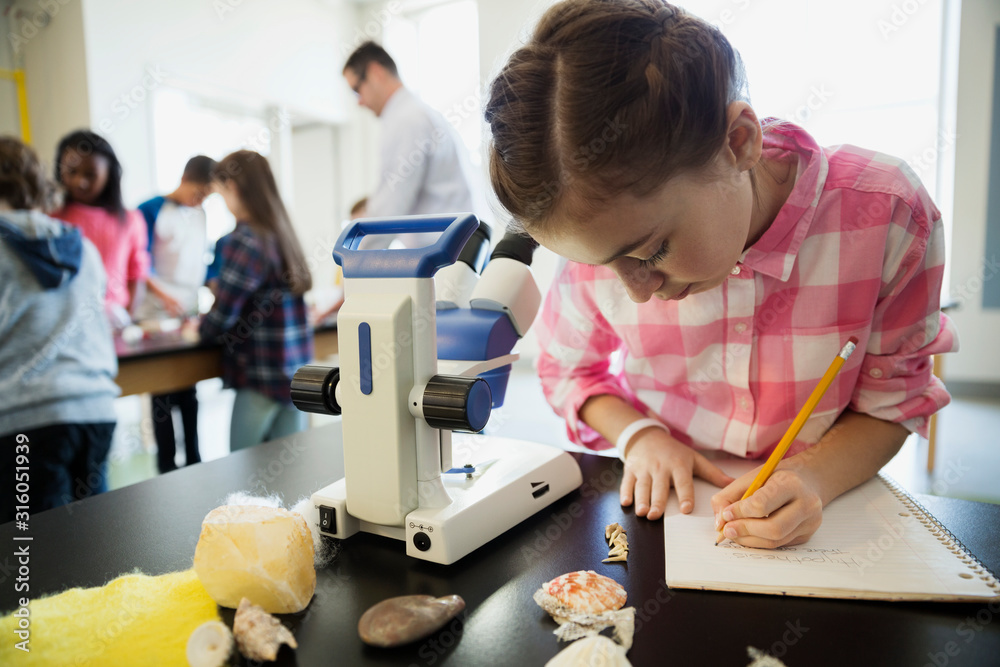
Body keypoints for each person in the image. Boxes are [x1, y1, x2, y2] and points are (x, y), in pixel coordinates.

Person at [484, 0, 957, 548]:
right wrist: (640, 436)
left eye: (654, 251)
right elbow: (569, 371)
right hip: (670, 516)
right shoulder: (610, 232)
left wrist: (812, 476)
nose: (636, 293)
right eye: (601, 265)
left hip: (830, 515)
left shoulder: (888, 213)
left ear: (738, 143)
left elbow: (892, 402)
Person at [0, 136, 119, 522]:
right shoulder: (81, 246)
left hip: (24, 417)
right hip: (95, 407)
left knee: (29, 552)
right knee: (93, 536)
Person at [199, 150, 314, 451]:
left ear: (233, 188)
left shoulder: (245, 240)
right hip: (294, 375)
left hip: (262, 377)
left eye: (221, 193)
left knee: (243, 472)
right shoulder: (282, 234)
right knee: (289, 476)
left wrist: (199, 330)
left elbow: (222, 314)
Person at [343, 41, 476, 248]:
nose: (358, 102)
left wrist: (357, 262)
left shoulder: (405, 120)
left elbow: (389, 207)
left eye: (356, 90)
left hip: (443, 255)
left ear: (376, 72)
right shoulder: (419, 113)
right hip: (456, 249)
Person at [136, 155, 217, 473]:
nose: (200, 200)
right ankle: (166, 463)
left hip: (189, 309)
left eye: (207, 196)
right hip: (156, 310)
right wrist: (163, 295)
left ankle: (194, 458)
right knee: (162, 390)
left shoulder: (201, 214)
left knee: (189, 384)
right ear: (185, 179)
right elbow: (139, 262)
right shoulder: (151, 209)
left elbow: (199, 259)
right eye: (199, 192)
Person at [51, 130, 150, 327]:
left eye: (90, 174)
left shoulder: (130, 220)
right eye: (72, 172)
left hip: (115, 323)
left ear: (109, 174)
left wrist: (127, 319)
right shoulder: (52, 218)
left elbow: (137, 274)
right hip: (65, 323)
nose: (80, 181)